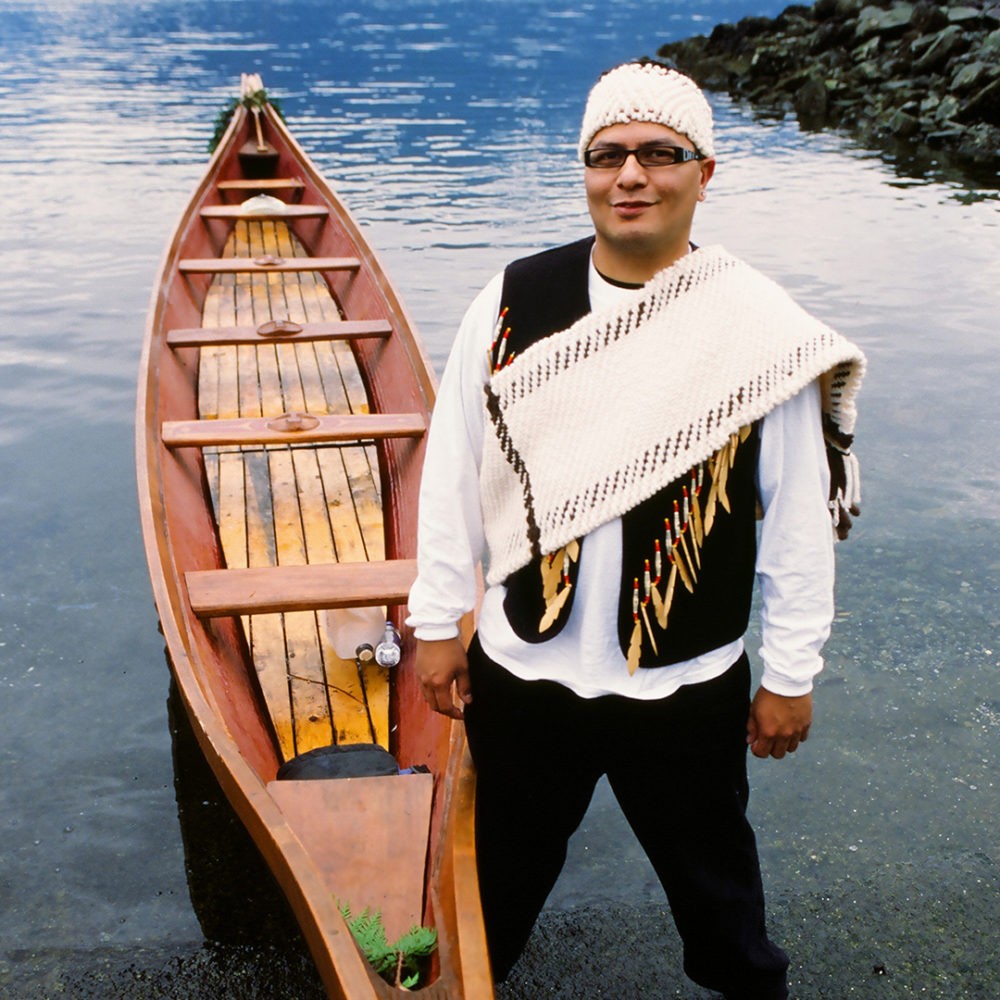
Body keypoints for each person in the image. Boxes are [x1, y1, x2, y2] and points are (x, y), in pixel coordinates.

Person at [406, 60, 865, 999]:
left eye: (660, 154)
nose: (631, 176)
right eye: (607, 154)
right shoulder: (509, 301)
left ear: (704, 172)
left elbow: (795, 525)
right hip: (526, 674)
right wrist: (435, 624)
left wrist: (789, 675)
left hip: (686, 684)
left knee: (725, 913)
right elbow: (451, 469)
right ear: (583, 170)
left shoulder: (752, 329)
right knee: (492, 893)